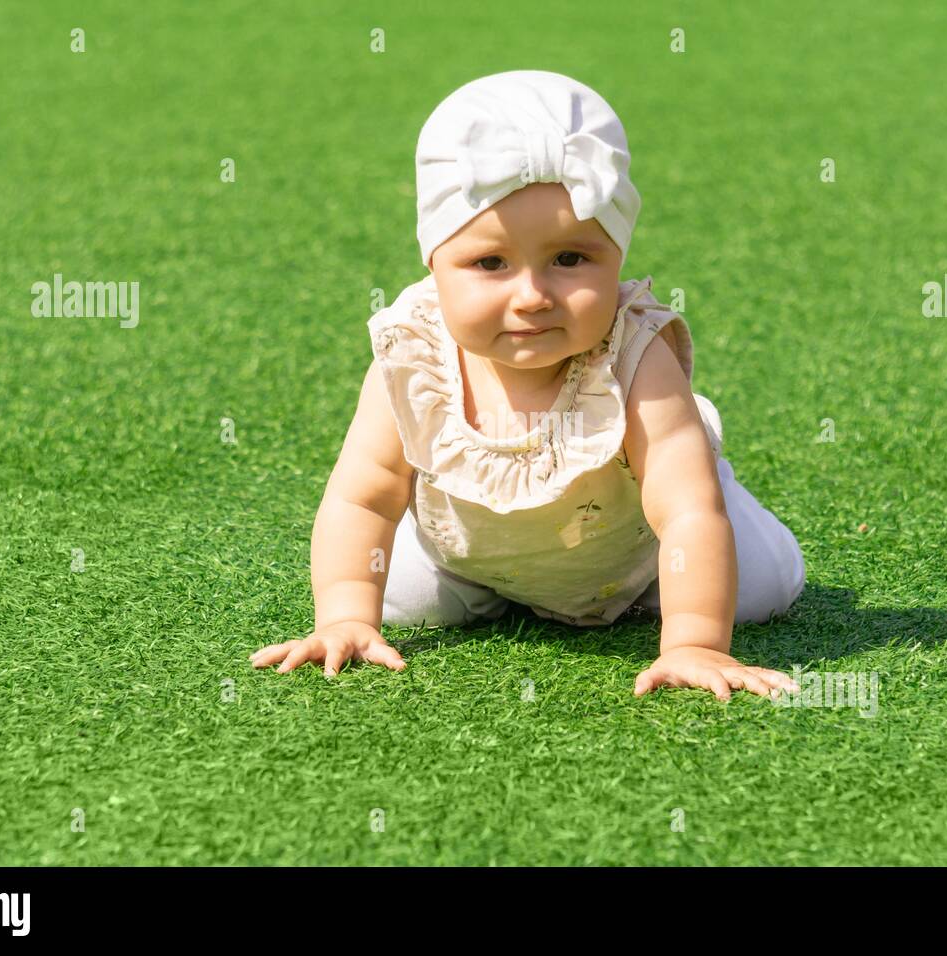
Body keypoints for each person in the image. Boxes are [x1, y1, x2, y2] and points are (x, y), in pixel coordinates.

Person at [252, 70, 804, 701]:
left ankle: (727, 515)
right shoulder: (414, 362)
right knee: (397, 597)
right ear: (434, 264)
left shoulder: (632, 359)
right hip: (472, 556)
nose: (533, 296)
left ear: (617, 255)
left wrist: (693, 642)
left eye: (570, 259)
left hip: (636, 560)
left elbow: (683, 512)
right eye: (490, 263)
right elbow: (364, 500)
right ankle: (484, 587)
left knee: (760, 590)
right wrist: (345, 617)